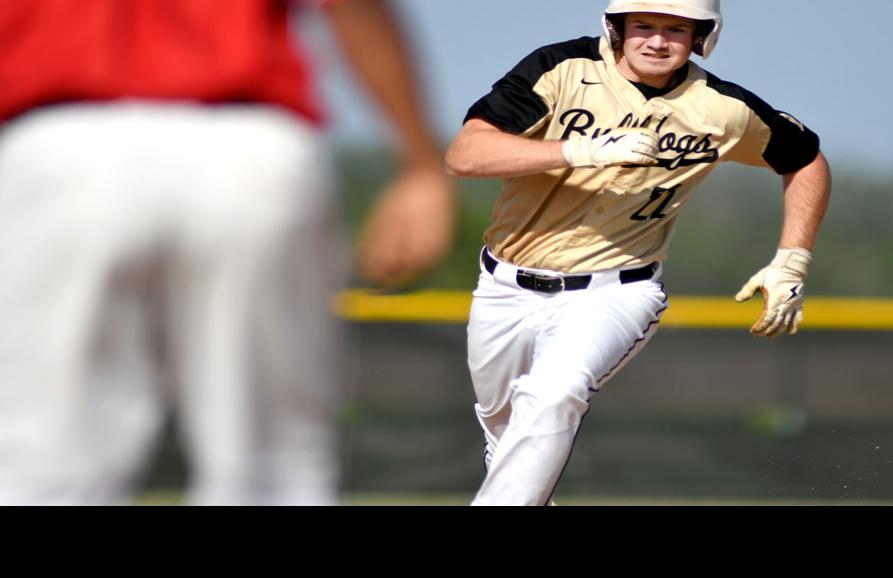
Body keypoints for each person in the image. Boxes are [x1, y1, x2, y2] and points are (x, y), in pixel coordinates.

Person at [0, 0, 456, 505]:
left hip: (61, 150)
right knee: (271, 472)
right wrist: (420, 162)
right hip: (248, 151)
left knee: (41, 466)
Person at [445, 0, 831, 506]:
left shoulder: (722, 108)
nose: (656, 40)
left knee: (555, 395)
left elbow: (805, 160)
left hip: (613, 291)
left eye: (675, 29)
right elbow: (466, 154)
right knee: (506, 432)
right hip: (504, 286)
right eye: (642, 25)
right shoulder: (562, 69)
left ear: (702, 36)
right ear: (617, 28)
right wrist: (582, 149)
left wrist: (792, 259)